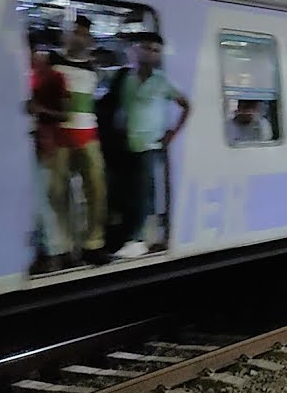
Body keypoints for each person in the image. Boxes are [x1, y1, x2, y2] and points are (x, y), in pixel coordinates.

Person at [112, 32, 190, 258]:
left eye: (155, 50)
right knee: (133, 192)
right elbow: (124, 108)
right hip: (128, 143)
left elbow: (186, 105)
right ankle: (136, 236)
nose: (151, 53)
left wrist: (172, 134)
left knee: (144, 192)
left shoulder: (162, 81)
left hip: (151, 145)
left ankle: (139, 240)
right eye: (147, 48)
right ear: (137, 50)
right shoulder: (127, 79)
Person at [48, 16, 109, 266]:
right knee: (56, 193)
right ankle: (62, 246)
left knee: (96, 189)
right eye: (75, 32)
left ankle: (93, 244)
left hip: (88, 136)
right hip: (58, 137)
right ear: (65, 35)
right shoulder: (50, 63)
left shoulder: (94, 69)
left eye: (84, 34)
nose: (79, 38)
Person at [28, 45, 70, 274]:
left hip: (46, 145)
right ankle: (45, 250)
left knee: (40, 200)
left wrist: (39, 110)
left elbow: (65, 113)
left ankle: (54, 251)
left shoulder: (56, 77)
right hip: (29, 144)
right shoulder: (28, 74)